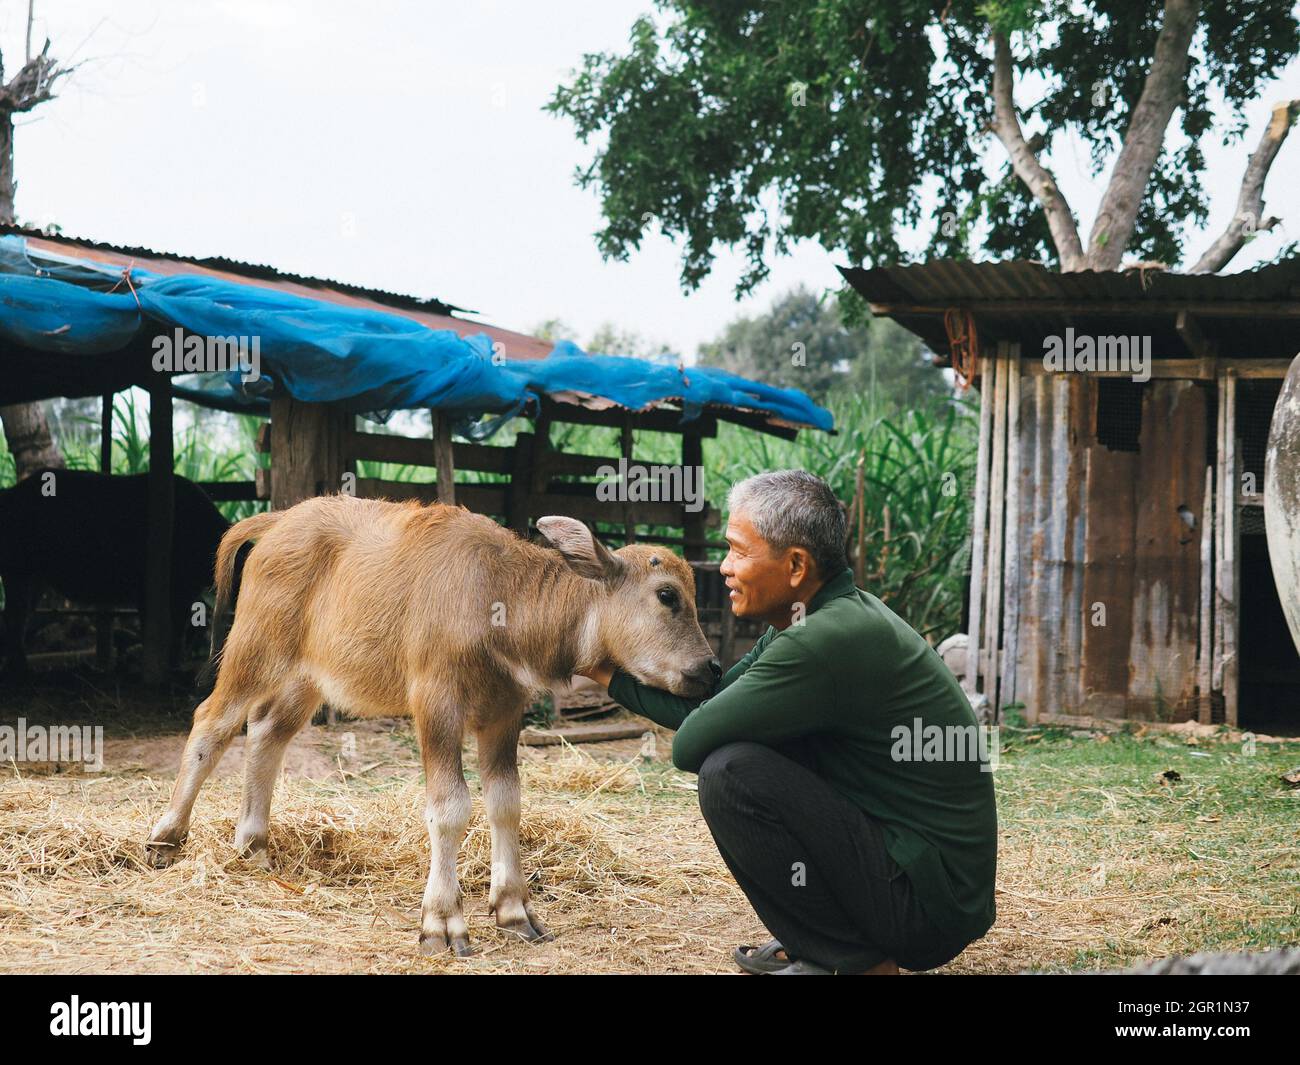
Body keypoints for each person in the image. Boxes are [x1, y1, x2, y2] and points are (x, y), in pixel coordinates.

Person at [579, 470, 997, 974]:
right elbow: (707, 706)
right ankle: (826, 946)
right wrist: (602, 670)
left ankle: (855, 961)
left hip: (925, 908)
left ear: (796, 565)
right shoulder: (816, 620)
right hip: (924, 883)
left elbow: (690, 744)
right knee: (743, 751)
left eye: (738, 551)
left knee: (730, 773)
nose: (726, 568)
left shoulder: (822, 642)